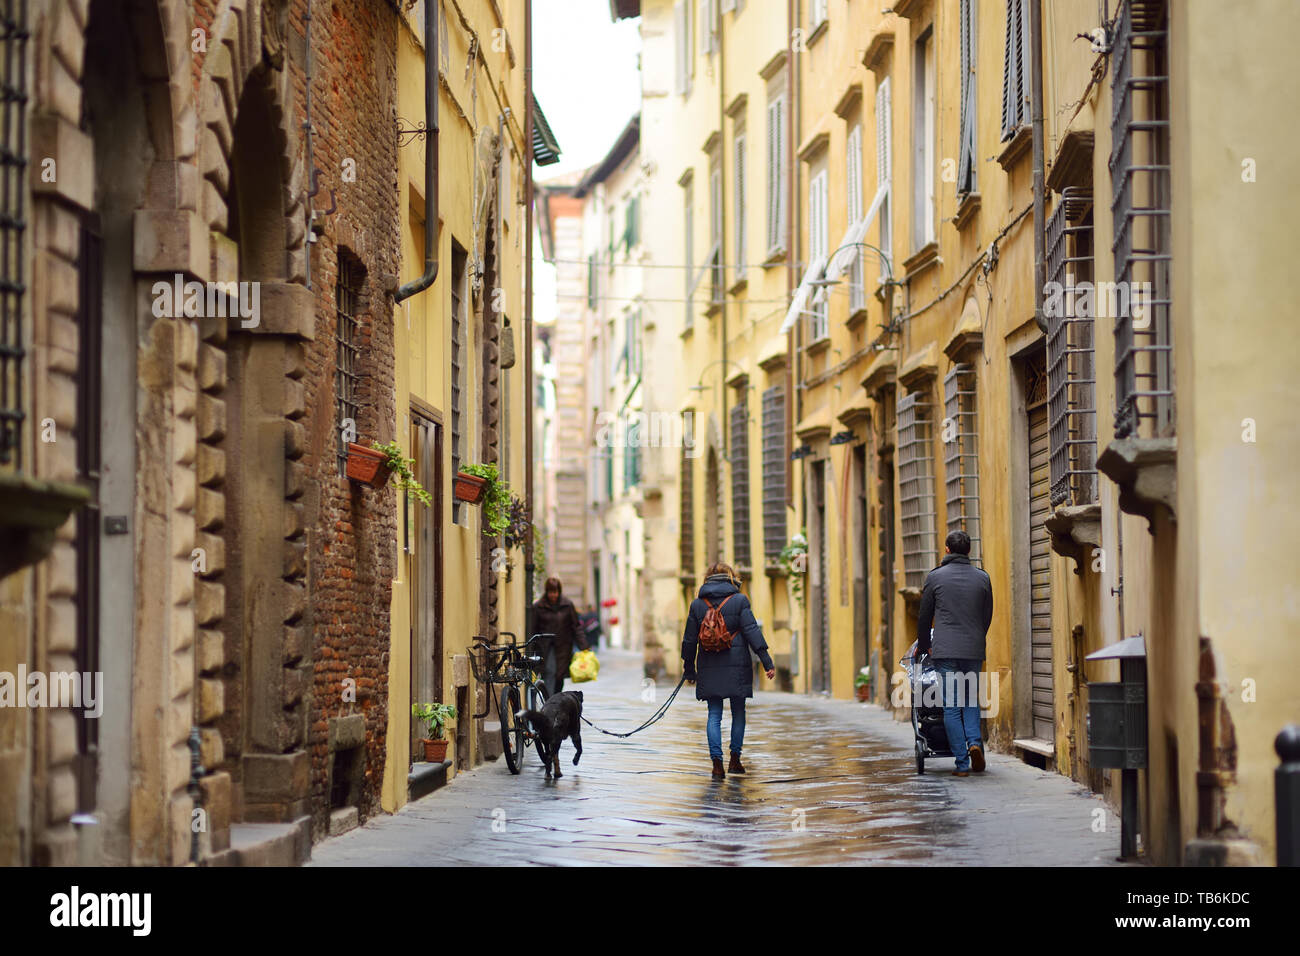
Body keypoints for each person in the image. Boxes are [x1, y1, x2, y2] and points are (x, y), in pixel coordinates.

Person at [680, 563, 775, 779]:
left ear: (707, 579)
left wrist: (689, 668)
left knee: (714, 715)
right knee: (738, 712)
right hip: (737, 665)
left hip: (708, 665)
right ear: (731, 578)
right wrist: (767, 661)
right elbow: (752, 631)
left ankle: (716, 763)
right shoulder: (740, 601)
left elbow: (689, 640)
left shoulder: (697, 605)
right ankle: (735, 760)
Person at [916, 530, 994, 777]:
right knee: (971, 700)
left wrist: (922, 644)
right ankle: (974, 743)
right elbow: (986, 615)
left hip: (945, 649)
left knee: (951, 706)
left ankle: (962, 763)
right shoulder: (983, 578)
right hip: (972, 649)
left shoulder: (935, 578)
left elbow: (925, 616)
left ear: (947, 550)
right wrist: (976, 637)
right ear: (969, 551)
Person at [531, 577, 588, 697]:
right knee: (550, 672)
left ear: (559, 591)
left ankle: (555, 700)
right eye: (551, 592)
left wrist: (583, 646)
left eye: (555, 592)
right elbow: (533, 628)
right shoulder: (539, 606)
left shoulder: (567, 605)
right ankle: (550, 702)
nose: (553, 595)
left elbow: (576, 626)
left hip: (563, 647)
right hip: (546, 647)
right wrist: (533, 646)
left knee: (559, 676)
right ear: (546, 592)